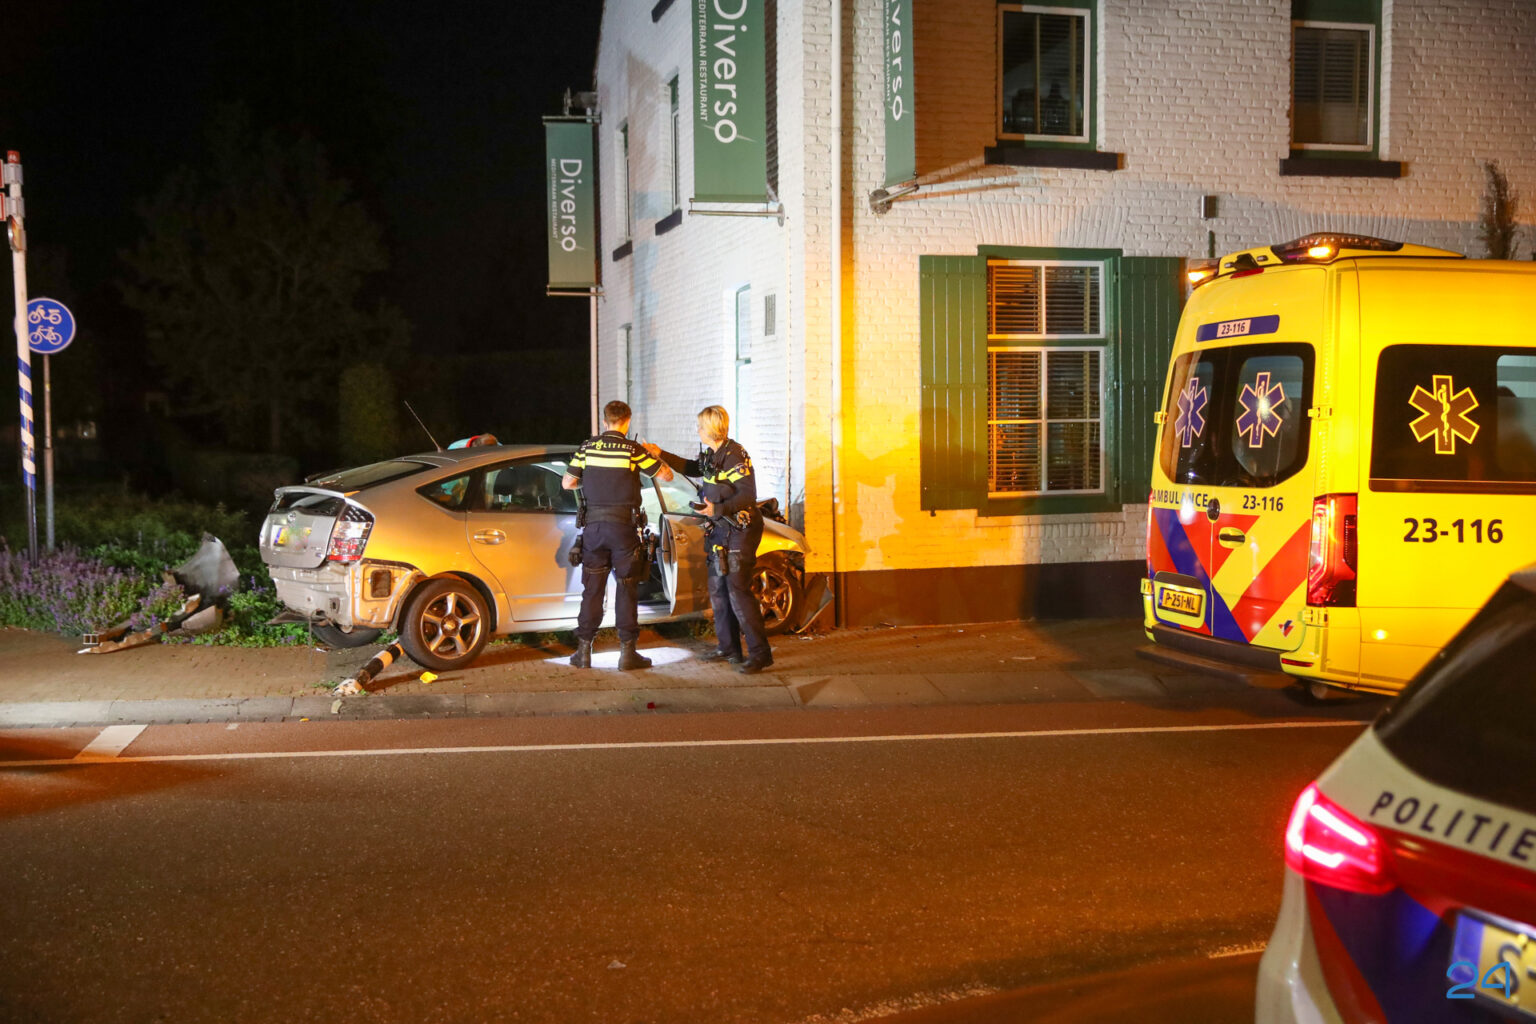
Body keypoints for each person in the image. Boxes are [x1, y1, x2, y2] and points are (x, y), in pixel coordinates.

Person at [647, 406, 772, 674]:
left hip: (741, 530)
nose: (698, 431)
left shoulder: (735, 454)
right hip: (719, 531)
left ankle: (760, 654)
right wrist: (661, 455)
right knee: (717, 590)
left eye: (700, 427)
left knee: (738, 590)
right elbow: (694, 468)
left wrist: (719, 510)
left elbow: (748, 495)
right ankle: (729, 649)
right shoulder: (712, 453)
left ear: (712, 428)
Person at [562, 401, 673, 670]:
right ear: (627, 422)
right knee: (626, 588)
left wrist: (589, 481)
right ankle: (627, 654)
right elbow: (667, 476)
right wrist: (653, 455)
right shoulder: (632, 450)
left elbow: (567, 483)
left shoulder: (587, 448)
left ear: (604, 422)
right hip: (624, 530)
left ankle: (584, 652)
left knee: (593, 590)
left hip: (594, 530)